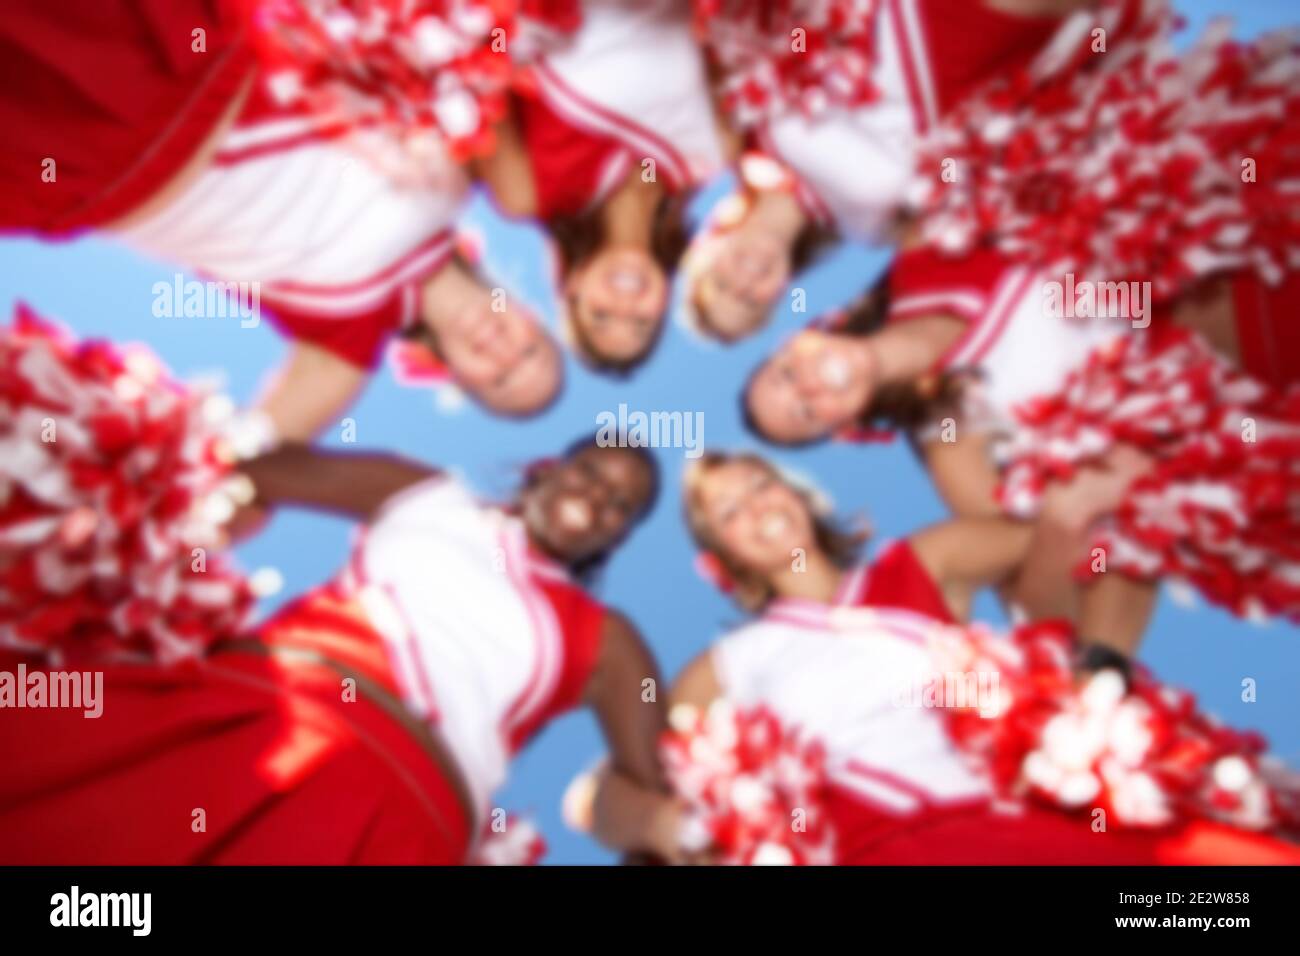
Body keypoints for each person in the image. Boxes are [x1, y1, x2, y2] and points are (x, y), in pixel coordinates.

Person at [0, 437, 680, 863]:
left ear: (616, 538)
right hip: (258, 713)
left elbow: (657, 790)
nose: (598, 497)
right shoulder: (428, 497)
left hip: (400, 818)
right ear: (546, 470)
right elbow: (260, 470)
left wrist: (640, 821)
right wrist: (187, 523)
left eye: (621, 504)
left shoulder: (606, 639)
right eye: (591, 470)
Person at [663, 451, 1300, 864]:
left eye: (762, 485)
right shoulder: (726, 665)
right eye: (730, 513)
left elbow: (1096, 530)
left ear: (798, 495)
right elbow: (635, 785)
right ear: (723, 562)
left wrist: (1097, 667)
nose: (757, 507)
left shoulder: (921, 561)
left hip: (1065, 808)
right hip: (901, 844)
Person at [683, 0, 1080, 341]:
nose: (744, 281)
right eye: (751, 302)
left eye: (721, 285)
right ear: (778, 292)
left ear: (706, 247)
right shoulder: (870, 233)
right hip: (968, 51)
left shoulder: (735, 141)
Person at [472, 0, 728, 371]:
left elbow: (480, 60)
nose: (625, 306)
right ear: (665, 299)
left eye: (601, 315)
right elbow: (737, 30)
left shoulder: (526, 193)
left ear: (572, 288)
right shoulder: (710, 154)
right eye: (642, 322)